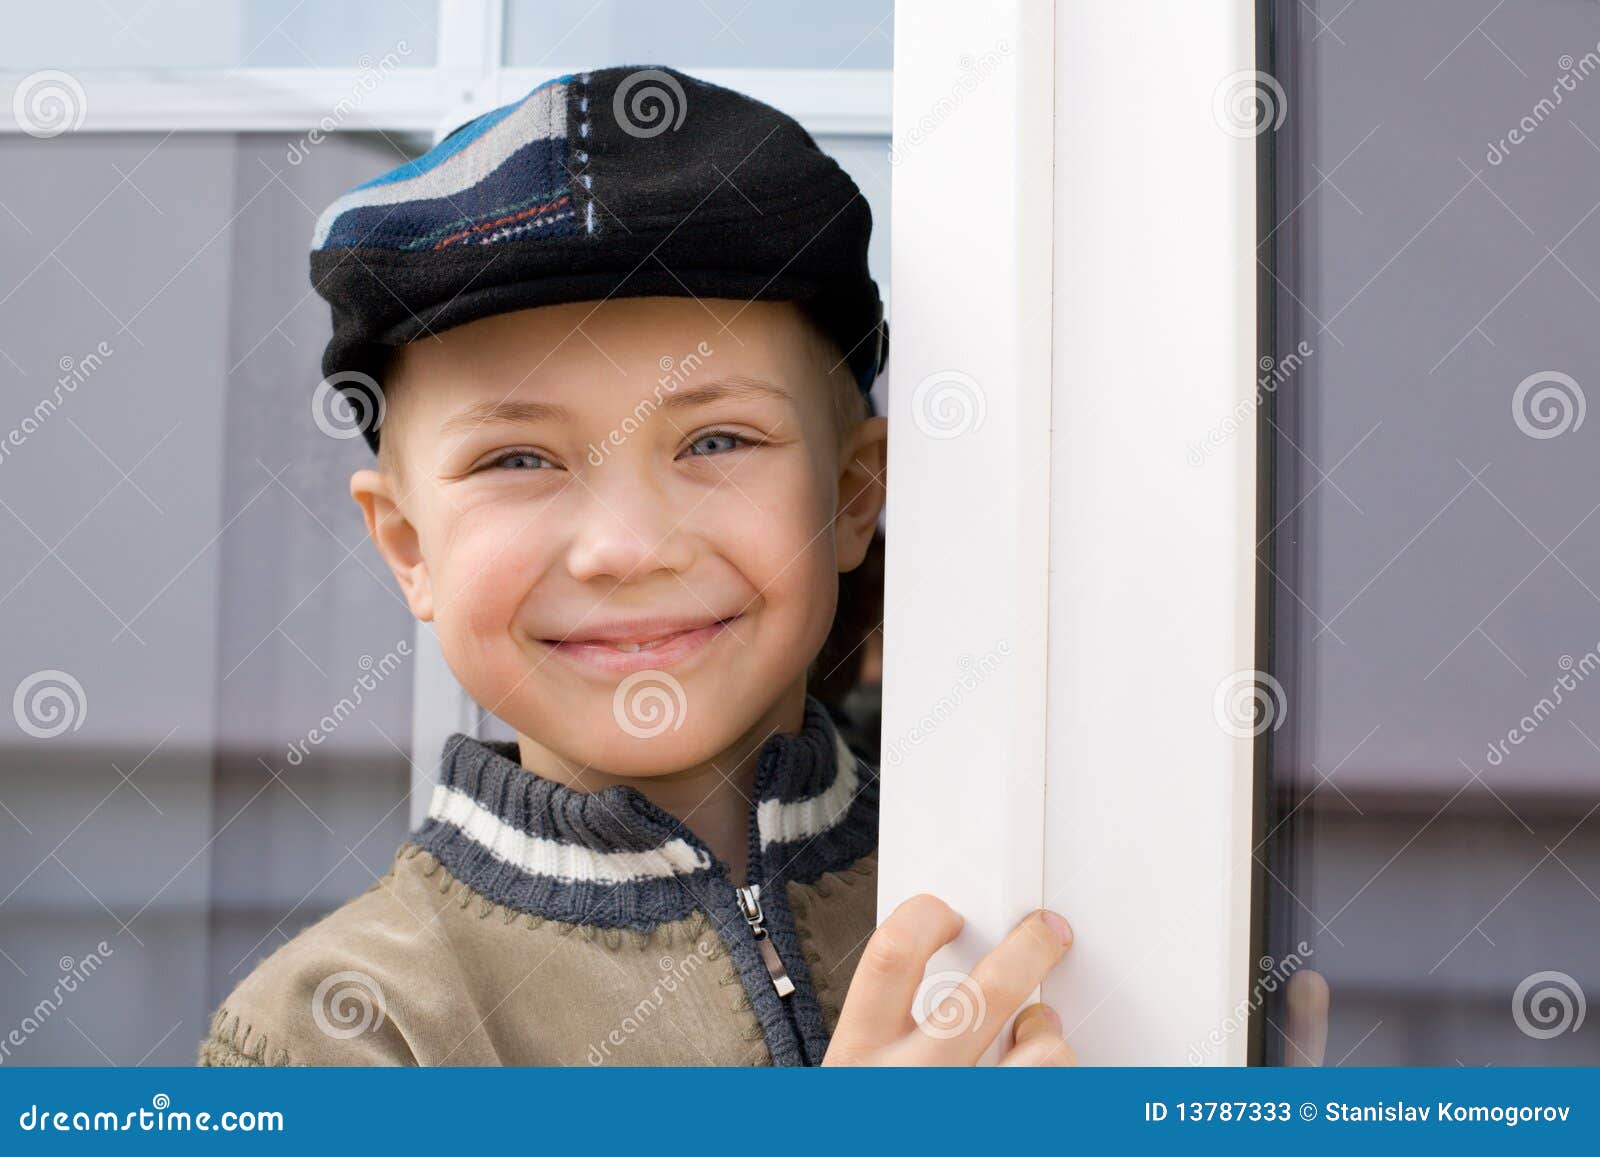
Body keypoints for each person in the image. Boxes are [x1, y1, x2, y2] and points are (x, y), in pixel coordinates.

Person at [197, 65, 1074, 1068]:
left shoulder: (1027, 898)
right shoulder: (340, 1030)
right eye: (516, 459)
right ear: (408, 545)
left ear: (855, 494)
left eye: (717, 441)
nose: (626, 547)